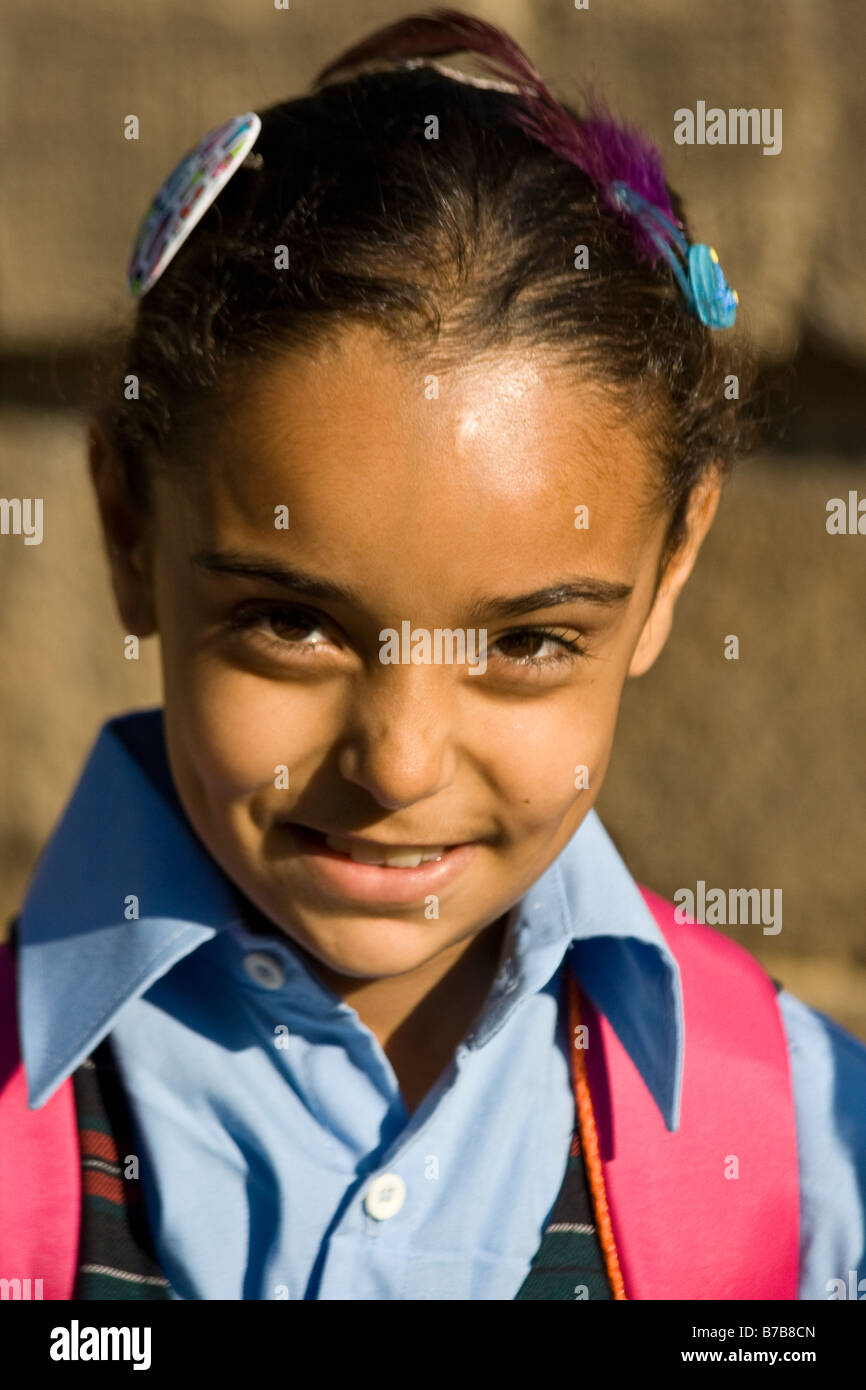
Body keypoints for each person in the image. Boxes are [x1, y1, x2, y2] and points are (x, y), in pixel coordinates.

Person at [2, 8, 864, 1301]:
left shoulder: (810, 1176)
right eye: (293, 623)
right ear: (129, 527)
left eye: (527, 640)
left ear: (671, 567)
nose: (399, 766)